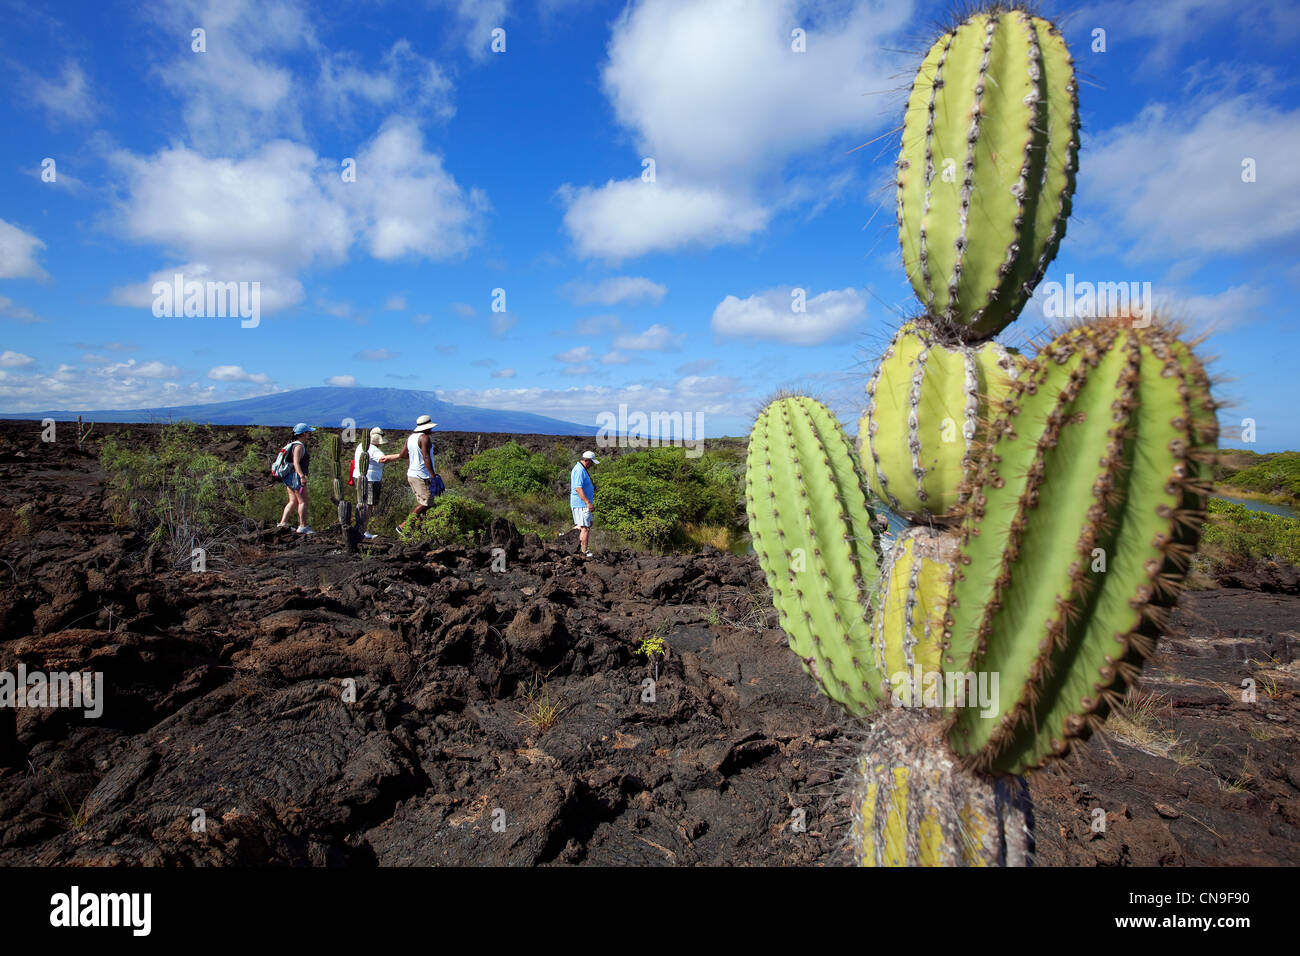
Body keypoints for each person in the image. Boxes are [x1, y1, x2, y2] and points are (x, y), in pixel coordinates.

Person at [379, 414, 438, 536]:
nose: (431, 430)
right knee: (426, 503)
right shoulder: (424, 438)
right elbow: (426, 457)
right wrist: (434, 476)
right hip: (421, 475)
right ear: (426, 428)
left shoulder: (411, 438)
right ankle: (403, 526)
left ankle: (416, 531)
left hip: (411, 474)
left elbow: (403, 455)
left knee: (425, 504)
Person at [278, 422, 316, 534]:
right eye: (308, 432)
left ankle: (283, 523)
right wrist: (302, 476)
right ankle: (303, 526)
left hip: (289, 477)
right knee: (303, 501)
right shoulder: (299, 446)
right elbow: (296, 462)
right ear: (304, 434)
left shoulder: (293, 444)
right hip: (296, 477)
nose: (309, 435)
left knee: (293, 501)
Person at [352, 427, 386, 539]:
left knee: (362, 503)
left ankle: (360, 529)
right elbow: (383, 459)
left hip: (359, 477)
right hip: (370, 480)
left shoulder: (361, 446)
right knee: (368, 505)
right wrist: (400, 456)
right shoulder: (373, 449)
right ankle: (363, 530)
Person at [570, 450, 599, 557]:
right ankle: (583, 551)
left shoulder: (581, 469)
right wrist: (587, 502)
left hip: (582, 504)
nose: (591, 465)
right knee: (585, 528)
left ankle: (566, 537)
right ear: (587, 460)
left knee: (585, 525)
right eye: (591, 462)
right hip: (581, 504)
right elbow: (578, 488)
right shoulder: (579, 470)